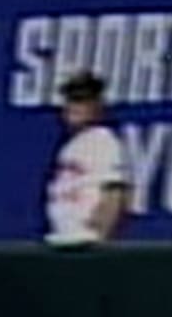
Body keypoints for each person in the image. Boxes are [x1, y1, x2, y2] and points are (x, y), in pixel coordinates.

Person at [44, 71, 130, 246]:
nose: (73, 107)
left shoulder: (103, 140)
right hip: (64, 236)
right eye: (70, 100)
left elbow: (114, 194)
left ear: (97, 106)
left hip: (86, 240)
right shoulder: (70, 145)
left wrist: (99, 237)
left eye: (81, 101)